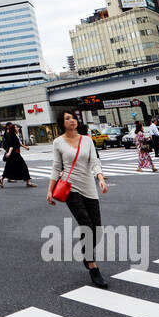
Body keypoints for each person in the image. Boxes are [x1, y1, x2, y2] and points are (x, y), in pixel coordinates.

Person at [47, 110, 110, 289]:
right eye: (67, 118)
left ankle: (85, 252)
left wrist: (101, 178)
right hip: (70, 188)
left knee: (97, 229)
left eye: (73, 118)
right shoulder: (58, 142)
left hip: (89, 186)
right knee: (86, 225)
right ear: (62, 123)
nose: (72, 120)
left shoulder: (87, 140)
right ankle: (93, 266)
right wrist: (50, 190)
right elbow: (56, 167)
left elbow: (94, 161)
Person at [0, 123, 33, 188]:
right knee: (24, 166)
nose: (18, 128)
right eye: (16, 127)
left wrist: (25, 147)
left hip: (14, 154)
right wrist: (9, 153)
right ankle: (28, 182)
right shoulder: (12, 136)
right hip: (15, 154)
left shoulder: (15, 135)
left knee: (8, 168)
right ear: (14, 129)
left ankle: (1, 179)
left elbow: (18, 143)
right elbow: (11, 146)